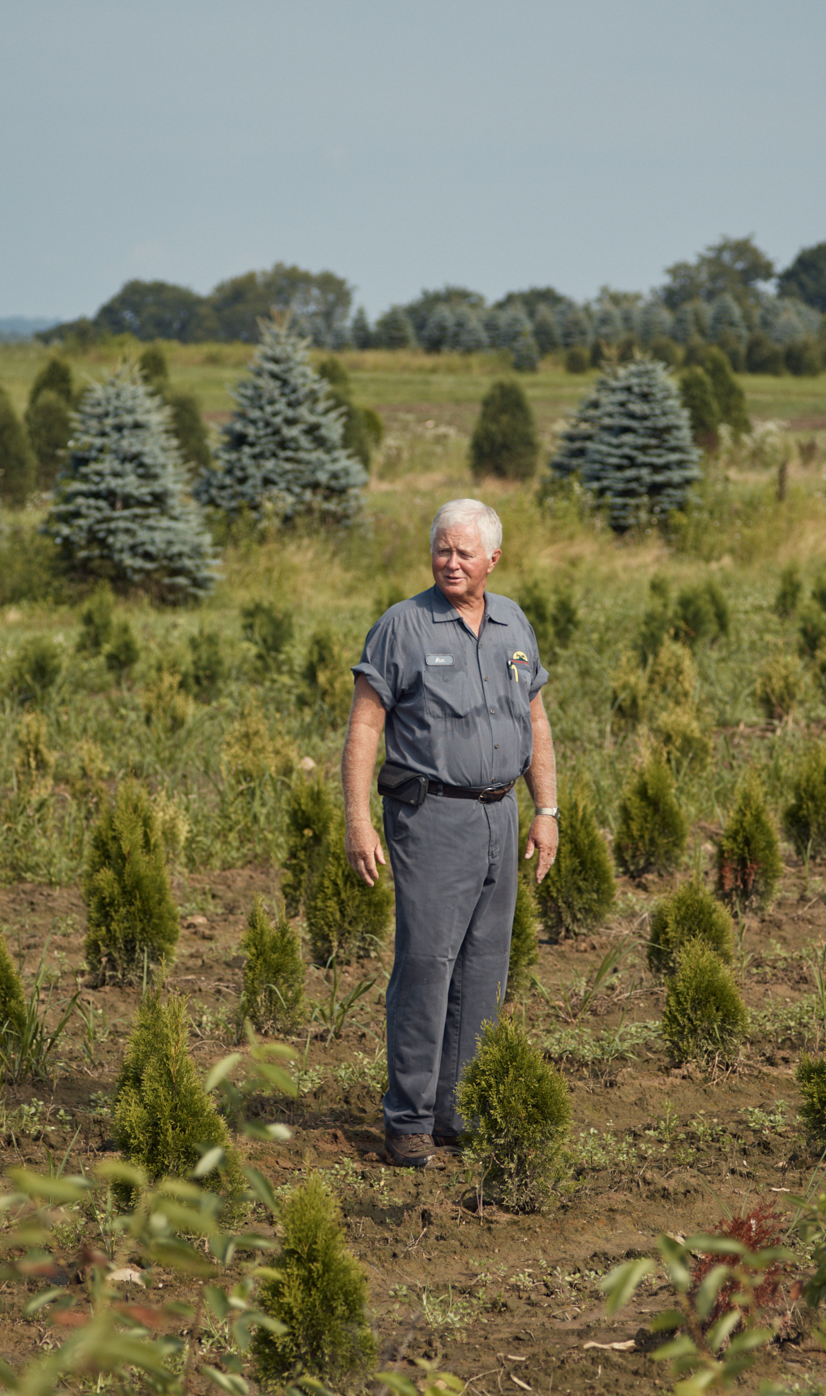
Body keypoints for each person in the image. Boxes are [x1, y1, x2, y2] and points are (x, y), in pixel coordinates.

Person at [343, 498, 558, 1168]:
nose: (451, 562)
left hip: (500, 815)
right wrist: (356, 820)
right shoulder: (402, 627)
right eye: (442, 549)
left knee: (484, 970)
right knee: (426, 968)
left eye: (464, 553)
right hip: (430, 817)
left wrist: (545, 811)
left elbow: (537, 722)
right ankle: (407, 1121)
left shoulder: (511, 622)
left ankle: (458, 1111)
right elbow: (364, 729)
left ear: (493, 559)